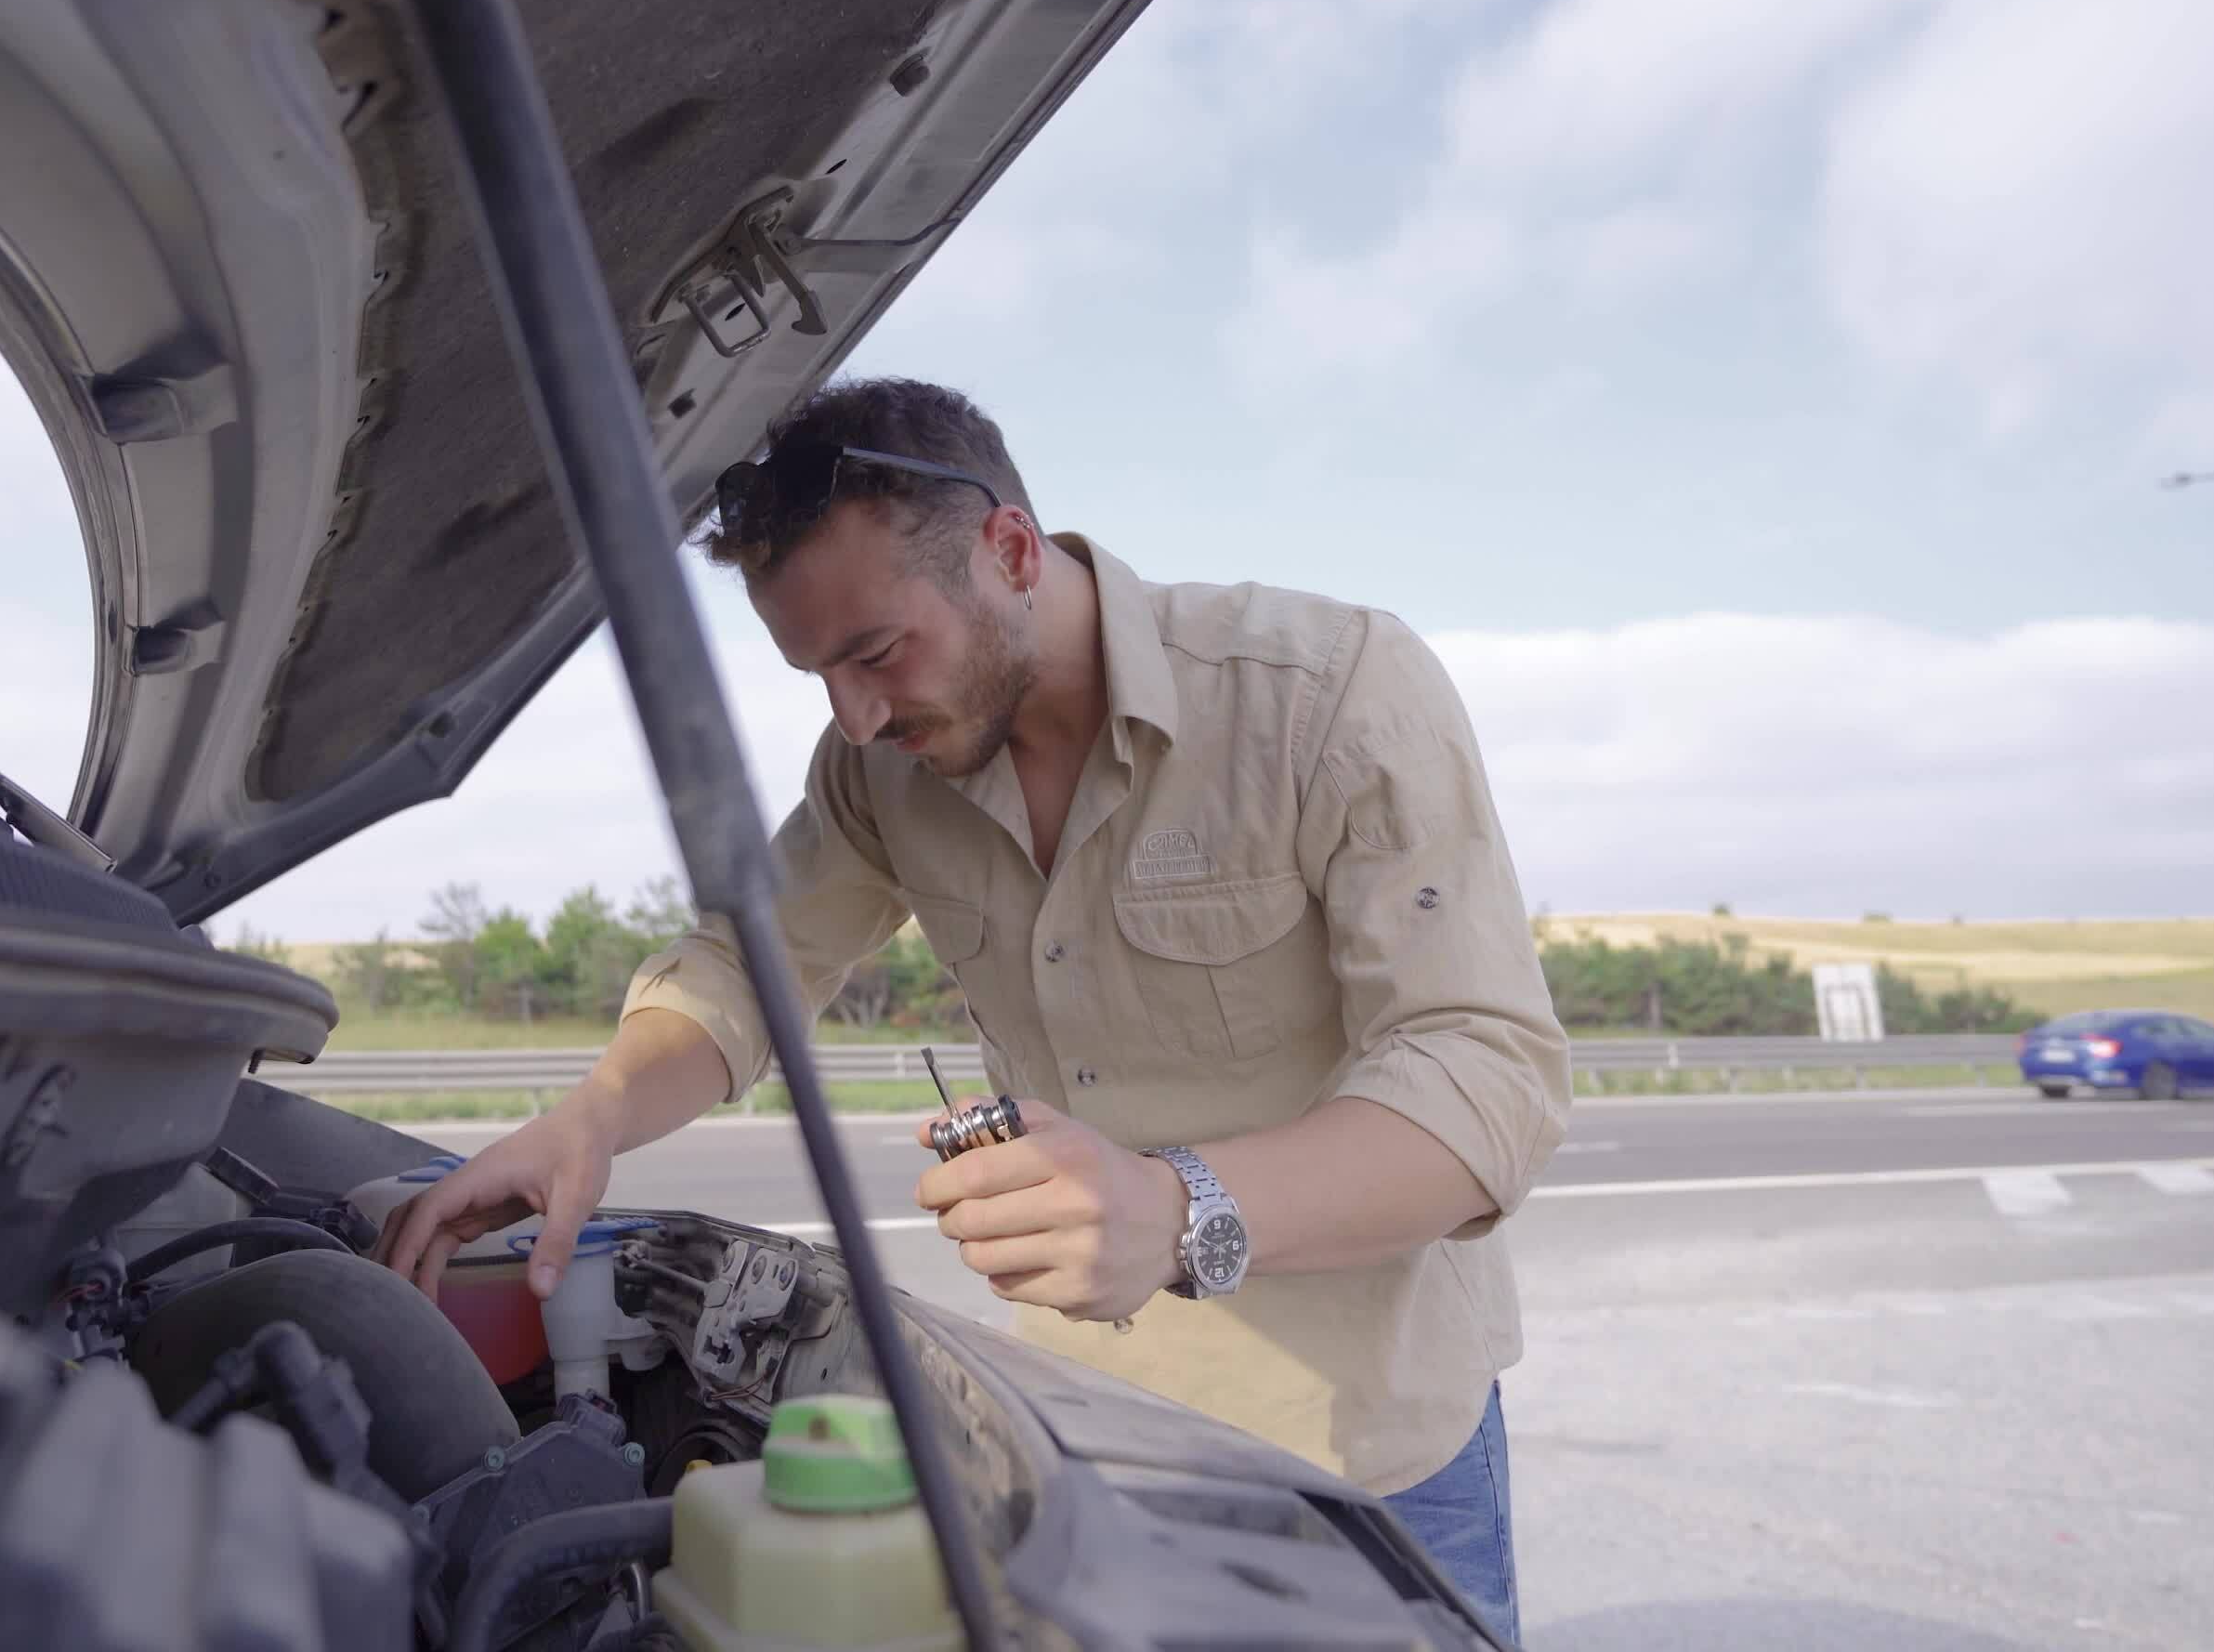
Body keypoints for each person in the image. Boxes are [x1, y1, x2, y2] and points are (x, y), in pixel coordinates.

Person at [379, 377, 1568, 1642]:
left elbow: (1485, 1077)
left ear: (1008, 551)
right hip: (1077, 1452)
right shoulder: (879, 769)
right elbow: (744, 965)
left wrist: (1179, 1210)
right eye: (816, 674)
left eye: (876, 653)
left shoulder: (1326, 692)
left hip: (1369, 1464)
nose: (855, 715)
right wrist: (594, 1117)